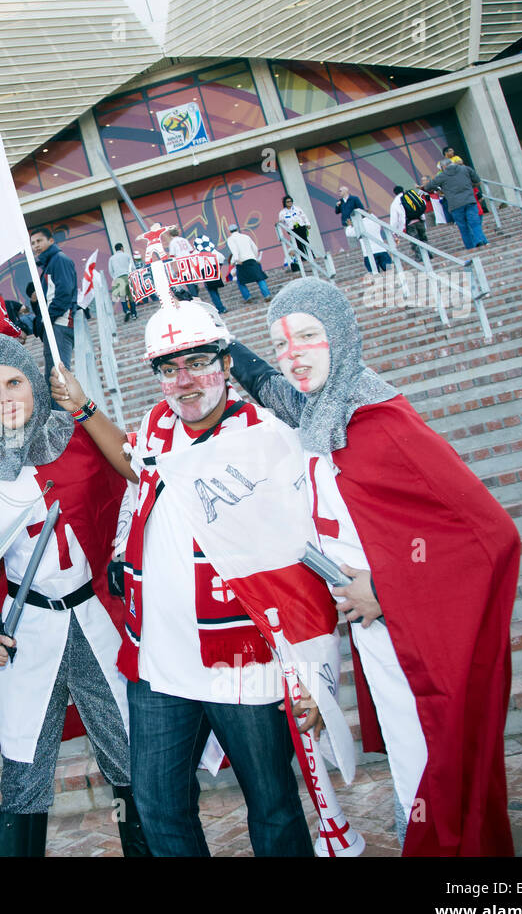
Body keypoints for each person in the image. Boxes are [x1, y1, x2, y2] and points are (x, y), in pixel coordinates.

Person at [228, 277, 519, 856]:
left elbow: (489, 535)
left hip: (417, 632)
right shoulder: (321, 412)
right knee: (415, 771)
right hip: (380, 638)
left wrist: (386, 587)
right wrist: (222, 342)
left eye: (308, 337)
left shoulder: (381, 420)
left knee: (436, 767)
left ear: (339, 338)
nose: (294, 356)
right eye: (282, 345)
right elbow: (269, 385)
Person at [50, 282, 333, 857]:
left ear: (228, 364)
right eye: (169, 368)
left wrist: (311, 670)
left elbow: (308, 555)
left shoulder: (268, 433)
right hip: (158, 660)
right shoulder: (159, 421)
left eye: (199, 363)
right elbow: (138, 468)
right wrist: (82, 407)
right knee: (157, 805)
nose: (184, 380)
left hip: (241, 658)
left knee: (273, 804)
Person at [0, 335, 147, 857]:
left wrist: (85, 407)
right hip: (27, 633)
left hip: (95, 616)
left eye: (14, 382)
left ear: (34, 383)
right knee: (25, 771)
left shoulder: (79, 440)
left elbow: (141, 471)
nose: (5, 397)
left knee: (128, 755)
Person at [30, 226, 78, 375]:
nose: (36, 245)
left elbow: (64, 294)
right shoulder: (49, 264)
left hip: (59, 324)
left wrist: (46, 321)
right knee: (54, 379)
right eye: (32, 243)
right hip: (54, 325)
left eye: (39, 241)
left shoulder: (59, 260)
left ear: (51, 240)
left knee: (59, 378)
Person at [424, 157, 487, 249]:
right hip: (470, 201)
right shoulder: (466, 169)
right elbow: (478, 182)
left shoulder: (442, 176)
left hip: (455, 205)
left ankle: (470, 247)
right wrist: (469, 186)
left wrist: (441, 189)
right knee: (475, 223)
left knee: (463, 227)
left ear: (443, 167)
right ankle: (480, 241)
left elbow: (428, 187)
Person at [223, 223, 271, 302]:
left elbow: (235, 251)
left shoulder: (231, 239)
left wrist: (235, 260)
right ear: (237, 229)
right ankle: (267, 295)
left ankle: (247, 297)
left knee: (241, 281)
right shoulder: (246, 237)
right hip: (251, 259)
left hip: (241, 261)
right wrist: (255, 257)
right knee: (259, 278)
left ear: (229, 231)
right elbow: (255, 248)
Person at [390, 184, 429, 259]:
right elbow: (423, 203)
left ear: (395, 193)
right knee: (423, 239)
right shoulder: (410, 195)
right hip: (419, 220)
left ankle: (420, 257)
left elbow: (394, 219)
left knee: (415, 241)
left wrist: (394, 231)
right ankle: (429, 254)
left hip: (409, 224)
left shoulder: (395, 202)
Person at [192, 235, 229, 314]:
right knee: (215, 290)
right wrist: (219, 267)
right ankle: (220, 306)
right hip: (214, 268)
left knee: (212, 291)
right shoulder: (211, 249)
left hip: (204, 271)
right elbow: (221, 257)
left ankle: (220, 308)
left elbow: (194, 264)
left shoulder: (196, 253)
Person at [277, 195, 313, 270]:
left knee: (305, 241)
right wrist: (279, 223)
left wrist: (308, 223)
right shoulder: (282, 213)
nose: (290, 203)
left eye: (291, 201)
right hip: (292, 229)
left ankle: (312, 256)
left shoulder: (297, 208)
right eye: (288, 202)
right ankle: (303, 258)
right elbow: (281, 221)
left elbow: (304, 216)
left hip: (301, 226)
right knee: (297, 244)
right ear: (285, 203)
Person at [108, 243, 134, 320]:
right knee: (131, 296)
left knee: (122, 296)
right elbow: (132, 267)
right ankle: (134, 314)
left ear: (115, 249)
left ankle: (126, 310)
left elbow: (110, 270)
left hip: (118, 278)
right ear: (122, 248)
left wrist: (115, 277)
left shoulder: (112, 258)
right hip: (127, 276)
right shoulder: (127, 255)